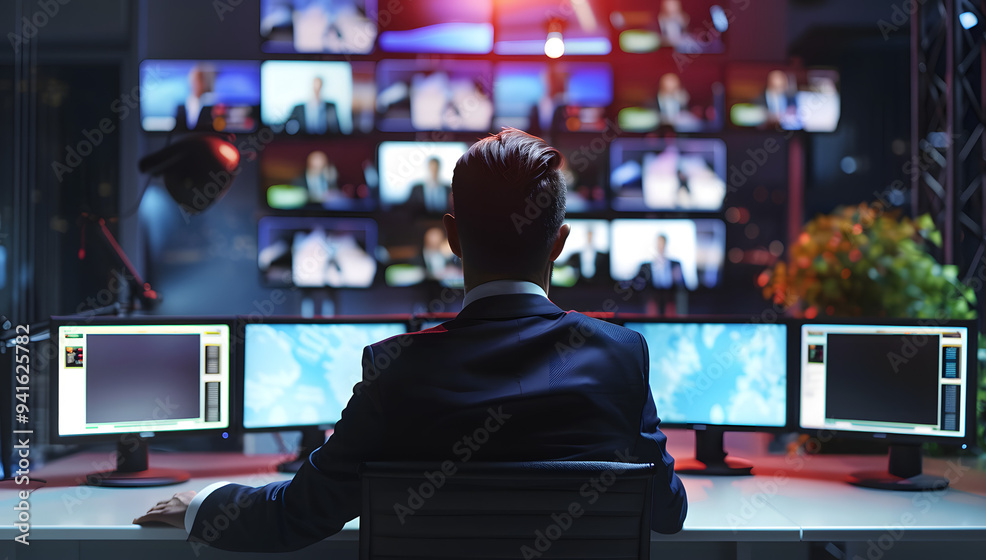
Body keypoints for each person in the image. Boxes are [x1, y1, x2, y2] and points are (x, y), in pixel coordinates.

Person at [133, 128, 688, 551]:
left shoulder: (396, 368)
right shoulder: (621, 356)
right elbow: (667, 512)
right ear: (560, 243)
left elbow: (298, 512)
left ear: (451, 237)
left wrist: (200, 504)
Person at [175, 63, 217, 131]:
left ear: (205, 83)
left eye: (198, 81)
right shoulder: (182, 106)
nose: (195, 84)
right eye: (193, 81)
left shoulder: (212, 104)